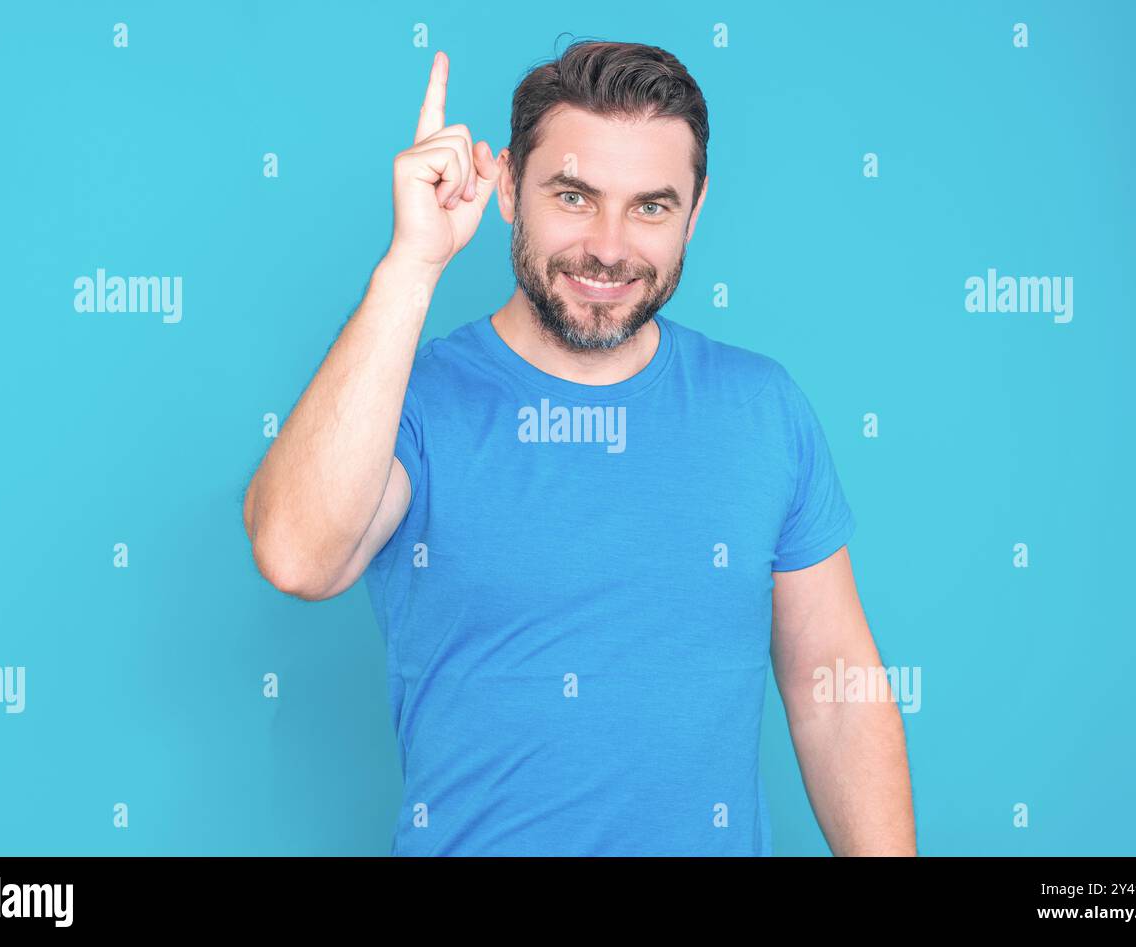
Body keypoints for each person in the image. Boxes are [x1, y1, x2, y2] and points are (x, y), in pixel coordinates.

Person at [242, 41, 916, 856]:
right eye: (573, 195)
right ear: (507, 190)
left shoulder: (762, 407)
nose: (608, 245)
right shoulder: (407, 400)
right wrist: (413, 264)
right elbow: (298, 557)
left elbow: (831, 688)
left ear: (696, 211)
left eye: (651, 207)